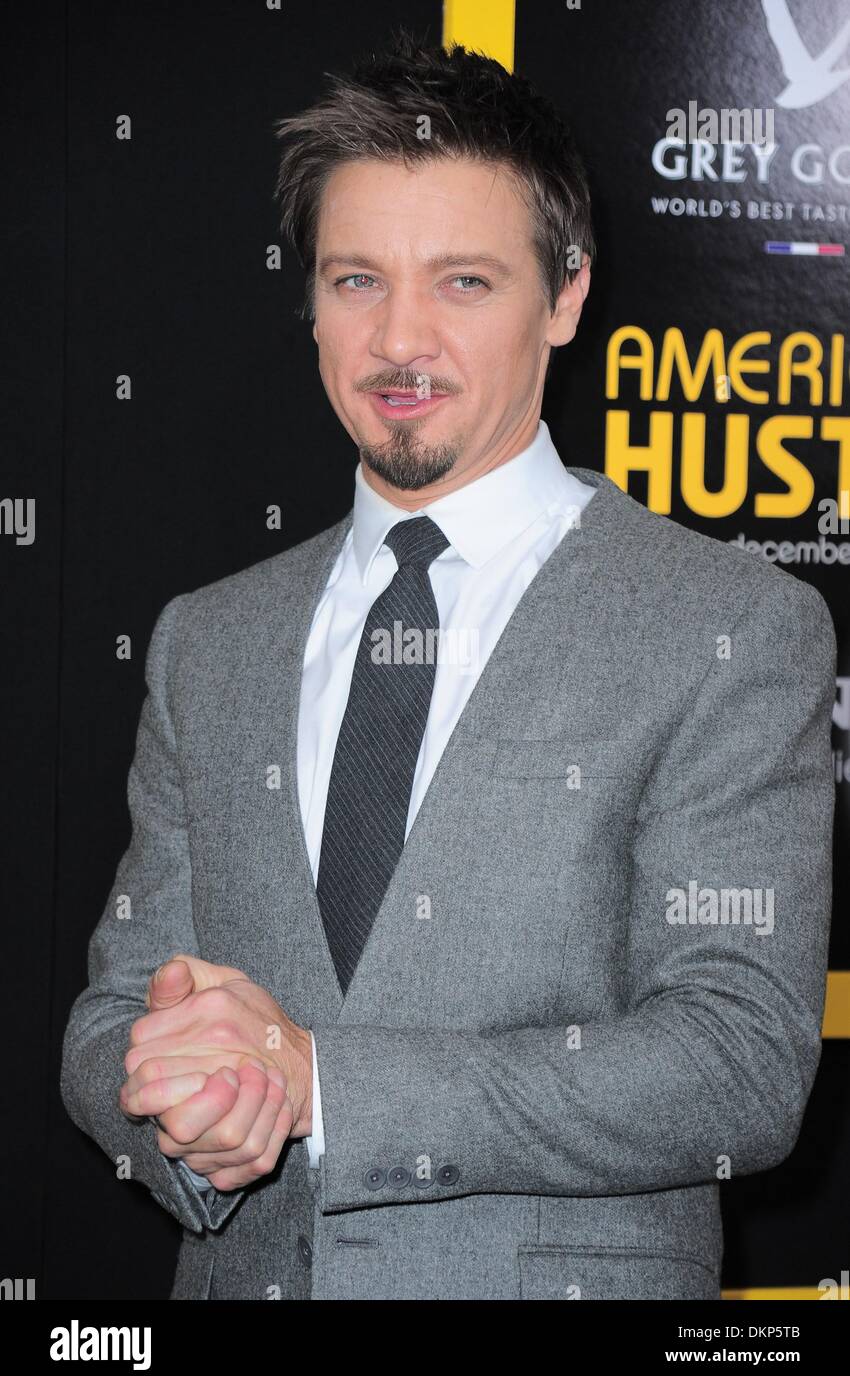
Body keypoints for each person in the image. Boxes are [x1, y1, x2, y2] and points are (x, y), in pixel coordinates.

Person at [61, 31, 836, 1301]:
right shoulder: (211, 636)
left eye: (464, 283)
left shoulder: (730, 626)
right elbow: (109, 1018)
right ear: (307, 297)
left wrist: (326, 1086)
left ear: (567, 295)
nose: (397, 340)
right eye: (355, 279)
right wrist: (179, 1108)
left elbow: (737, 1064)